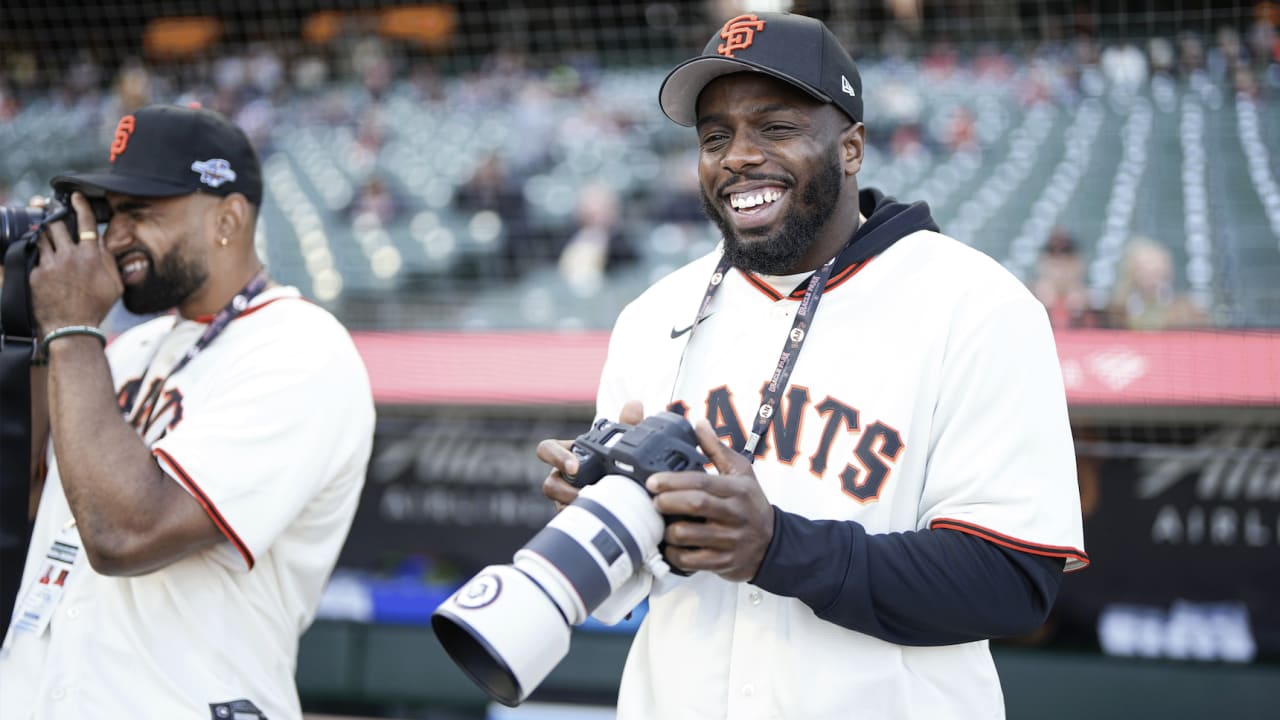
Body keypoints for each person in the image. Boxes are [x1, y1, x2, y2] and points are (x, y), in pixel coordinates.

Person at [537, 12, 1087, 719]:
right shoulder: (651, 317)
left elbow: (1012, 581)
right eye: (715, 137)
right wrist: (597, 517)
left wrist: (777, 547)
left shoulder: (978, 305)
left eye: (775, 127)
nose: (737, 155)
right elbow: (630, 592)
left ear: (851, 146)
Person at [0, 104, 375, 719]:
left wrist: (69, 326)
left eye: (143, 212)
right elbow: (25, 490)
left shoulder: (302, 347)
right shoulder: (124, 348)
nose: (116, 238)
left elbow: (126, 533)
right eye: (111, 214)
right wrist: (28, 318)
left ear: (228, 218)